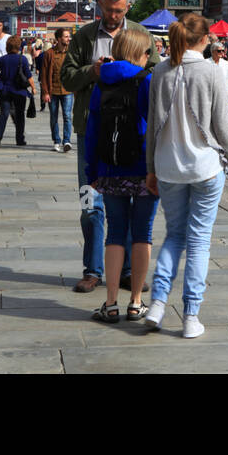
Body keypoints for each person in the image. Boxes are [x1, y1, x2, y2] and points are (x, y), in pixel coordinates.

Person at [143, 13, 228, 336]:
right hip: (204, 167)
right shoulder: (212, 72)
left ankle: (157, 304)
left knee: (173, 236)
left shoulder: (160, 70)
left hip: (169, 165)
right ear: (203, 40)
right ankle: (190, 317)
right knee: (199, 241)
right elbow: (222, 125)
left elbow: (152, 126)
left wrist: (150, 169)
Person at [60, 0, 160, 295]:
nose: (112, 15)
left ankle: (128, 271)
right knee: (91, 202)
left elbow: (156, 75)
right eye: (107, 9)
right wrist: (93, 72)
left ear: (128, 7)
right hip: (93, 129)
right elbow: (66, 77)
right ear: (99, 6)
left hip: (133, 133)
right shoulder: (85, 36)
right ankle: (92, 270)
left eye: (118, 10)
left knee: (130, 202)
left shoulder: (142, 36)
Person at [84, 29, 157, 323]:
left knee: (114, 234)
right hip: (143, 169)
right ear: (140, 53)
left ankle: (111, 303)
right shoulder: (147, 81)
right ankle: (136, 302)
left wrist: (93, 171)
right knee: (142, 234)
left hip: (110, 168)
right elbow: (156, 127)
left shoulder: (101, 83)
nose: (149, 58)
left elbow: (91, 132)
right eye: (147, 52)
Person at [0, 35, 35, 148]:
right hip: (19, 91)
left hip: (4, 90)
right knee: (20, 115)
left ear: (7, 47)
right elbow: (28, 76)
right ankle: (19, 139)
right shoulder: (22, 59)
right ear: (19, 47)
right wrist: (33, 88)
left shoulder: (2, 59)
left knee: (3, 114)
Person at [40, 28, 73, 152]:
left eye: (68, 36)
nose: (68, 39)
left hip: (67, 90)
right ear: (59, 39)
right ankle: (57, 141)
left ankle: (67, 141)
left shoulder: (71, 53)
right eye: (65, 36)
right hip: (52, 90)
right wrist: (45, 92)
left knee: (67, 116)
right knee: (54, 117)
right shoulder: (49, 53)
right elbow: (43, 75)